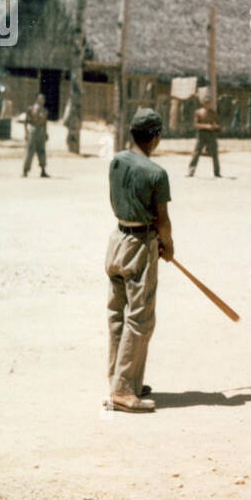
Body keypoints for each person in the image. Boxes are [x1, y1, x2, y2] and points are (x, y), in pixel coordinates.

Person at [104, 108, 173, 413]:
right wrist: (167, 246)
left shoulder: (116, 160)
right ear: (155, 137)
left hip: (117, 241)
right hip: (141, 245)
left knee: (118, 314)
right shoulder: (157, 173)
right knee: (140, 318)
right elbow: (163, 220)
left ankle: (121, 379)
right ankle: (123, 390)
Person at [187, 95, 221, 178]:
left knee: (214, 154)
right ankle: (191, 171)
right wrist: (206, 126)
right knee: (196, 153)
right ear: (203, 103)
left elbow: (218, 124)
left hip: (211, 135)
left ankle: (217, 172)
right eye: (206, 102)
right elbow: (196, 124)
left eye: (208, 102)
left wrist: (215, 126)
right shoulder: (198, 112)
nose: (207, 104)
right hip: (201, 134)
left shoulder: (213, 113)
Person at [21, 94, 49, 178]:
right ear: (37, 99)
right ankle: (25, 170)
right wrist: (26, 132)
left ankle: (43, 170)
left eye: (43, 98)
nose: (42, 100)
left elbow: (45, 123)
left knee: (42, 150)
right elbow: (26, 121)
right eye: (41, 98)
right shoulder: (31, 109)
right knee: (30, 150)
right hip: (33, 130)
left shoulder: (44, 110)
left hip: (41, 131)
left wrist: (46, 133)